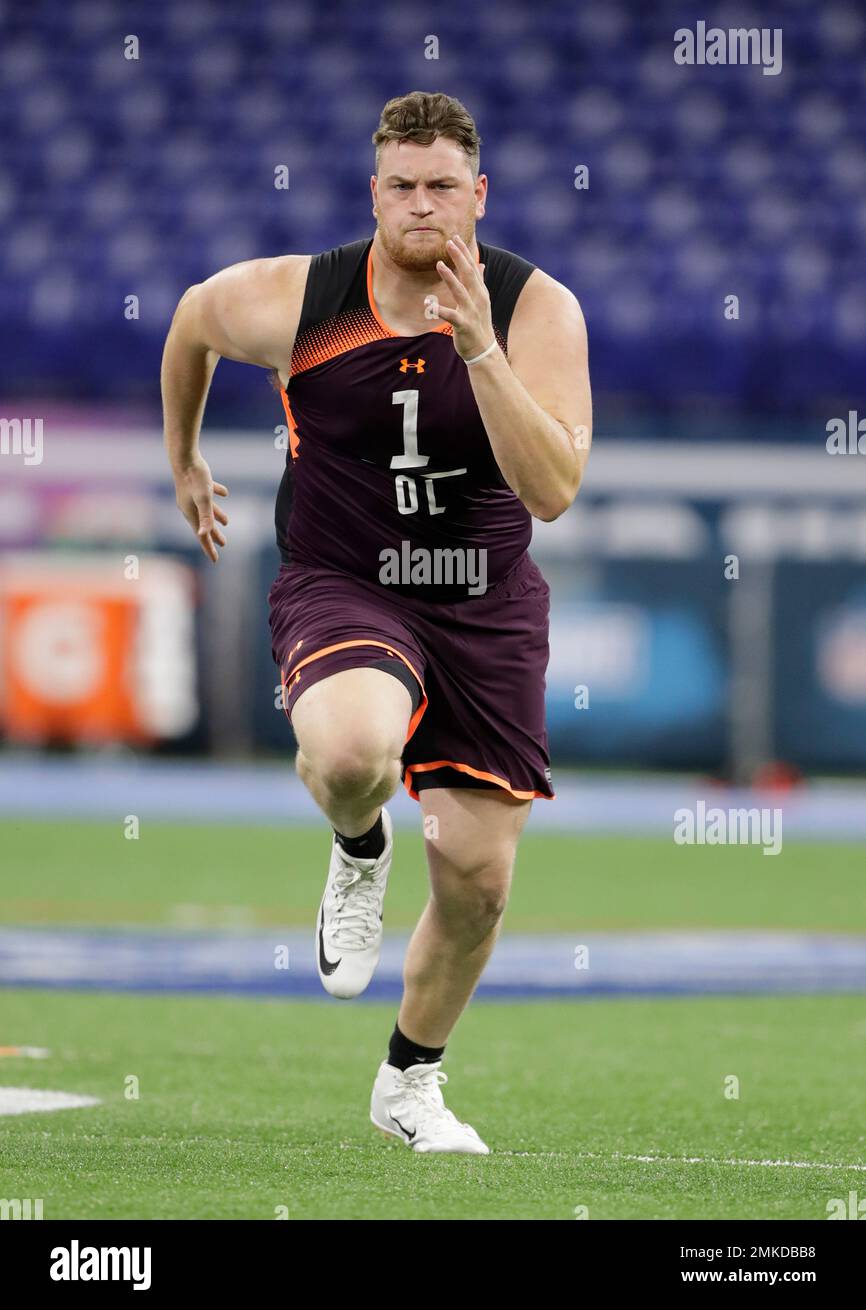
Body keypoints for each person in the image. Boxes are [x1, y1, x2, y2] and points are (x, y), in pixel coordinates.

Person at [161, 91, 592, 1154]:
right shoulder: (300, 296)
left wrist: (481, 350)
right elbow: (189, 320)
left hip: (482, 600)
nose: (420, 206)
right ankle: (358, 845)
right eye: (400, 185)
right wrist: (183, 456)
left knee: (479, 884)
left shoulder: (537, 309)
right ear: (374, 192)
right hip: (346, 577)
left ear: (476, 194)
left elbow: (551, 491)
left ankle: (408, 1082)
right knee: (352, 749)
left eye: (441, 185)